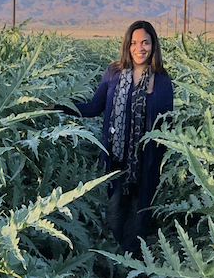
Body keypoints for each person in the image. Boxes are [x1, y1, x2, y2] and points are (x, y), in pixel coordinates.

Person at [73, 20, 173, 255]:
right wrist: (60, 107)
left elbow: (166, 125)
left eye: (145, 42)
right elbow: (93, 107)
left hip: (146, 162)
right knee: (116, 213)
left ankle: (131, 265)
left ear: (153, 45)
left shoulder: (162, 80)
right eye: (135, 43)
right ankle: (120, 256)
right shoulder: (114, 73)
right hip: (116, 157)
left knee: (140, 216)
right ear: (128, 46)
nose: (140, 48)